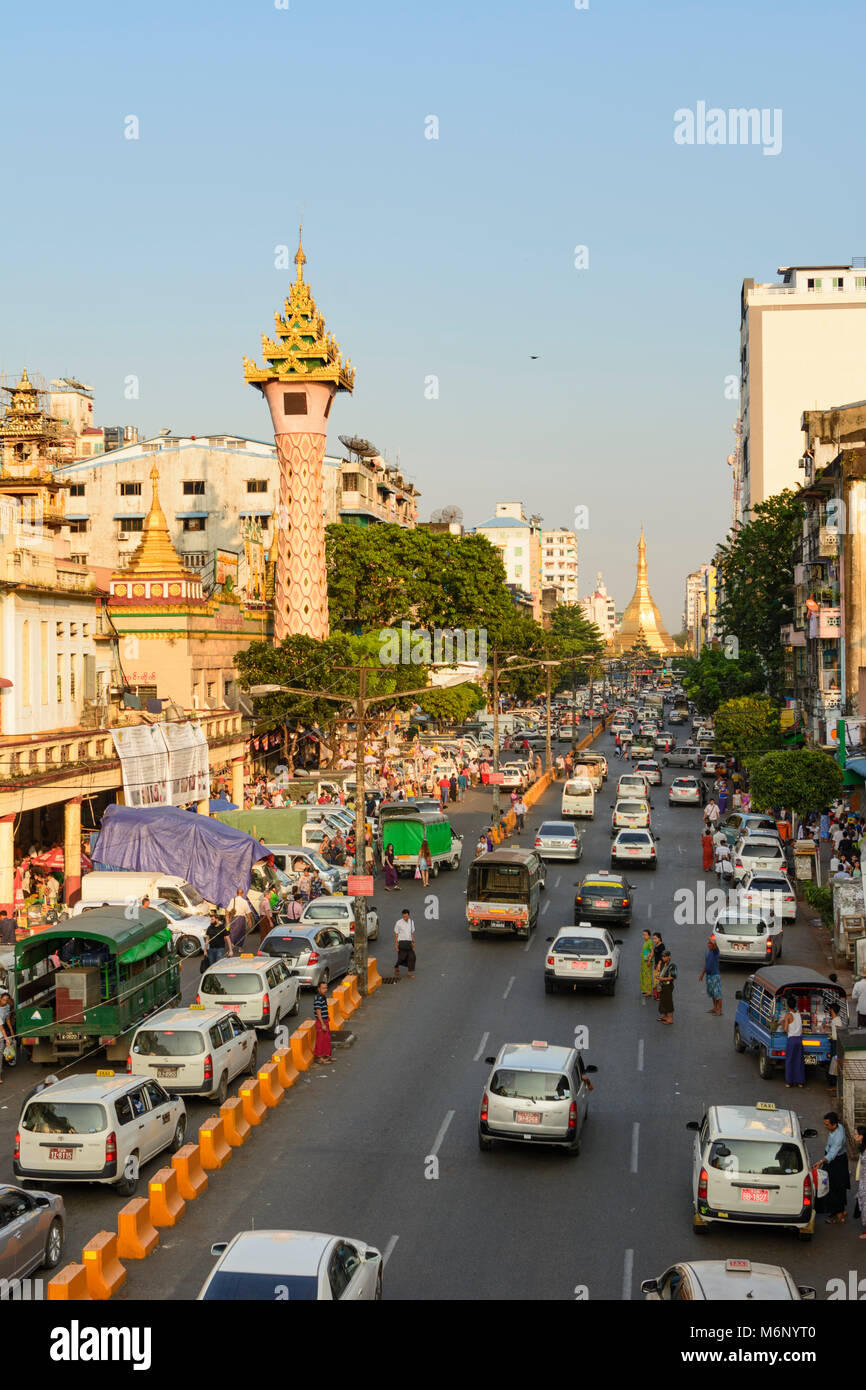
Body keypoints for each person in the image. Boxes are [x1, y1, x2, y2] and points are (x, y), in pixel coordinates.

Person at [818, 1111, 850, 1223]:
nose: (825, 1126)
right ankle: (841, 1210)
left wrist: (821, 1162)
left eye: (827, 1124)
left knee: (835, 1187)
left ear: (834, 1124)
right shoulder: (838, 1127)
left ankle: (838, 1214)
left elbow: (832, 1153)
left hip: (837, 1162)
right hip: (832, 1159)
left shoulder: (839, 1137)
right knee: (832, 1185)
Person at [782, 994, 806, 1088]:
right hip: (799, 1039)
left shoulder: (788, 1015)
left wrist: (783, 1023)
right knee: (799, 1061)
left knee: (790, 1061)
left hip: (791, 1039)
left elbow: (785, 1029)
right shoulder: (799, 1014)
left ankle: (789, 1082)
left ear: (788, 1006)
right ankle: (800, 1082)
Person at [699, 936, 723, 1015]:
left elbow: (715, 945)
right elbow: (706, 964)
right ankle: (715, 1008)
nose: (708, 944)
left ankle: (720, 1010)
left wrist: (712, 940)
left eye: (710, 944)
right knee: (712, 993)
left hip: (715, 975)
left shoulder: (715, 951)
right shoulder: (707, 952)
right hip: (709, 975)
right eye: (708, 943)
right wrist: (702, 974)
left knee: (717, 993)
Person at [312, 980, 333, 1065]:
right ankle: (320, 1058)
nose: (325, 989)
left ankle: (327, 1056)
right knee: (320, 1040)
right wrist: (322, 1024)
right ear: (318, 989)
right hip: (321, 1022)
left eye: (326, 988)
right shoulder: (318, 998)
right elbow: (318, 1012)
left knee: (326, 1039)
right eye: (323, 988)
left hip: (325, 1021)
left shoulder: (322, 997)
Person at [394, 909, 416, 978]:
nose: (404, 918)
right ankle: (396, 966)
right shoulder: (398, 923)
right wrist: (396, 945)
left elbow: (412, 933)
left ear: (408, 915)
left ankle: (409, 973)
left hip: (409, 943)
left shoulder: (411, 922)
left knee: (412, 957)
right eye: (403, 916)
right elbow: (396, 934)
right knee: (401, 958)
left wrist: (413, 942)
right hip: (402, 942)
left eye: (406, 916)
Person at [827, 1000, 842, 1097]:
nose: (829, 1010)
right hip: (833, 1042)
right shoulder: (834, 1020)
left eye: (830, 1009)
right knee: (833, 1063)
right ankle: (833, 1085)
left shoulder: (837, 1020)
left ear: (832, 1010)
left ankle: (835, 1086)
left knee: (834, 1064)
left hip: (836, 1043)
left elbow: (839, 1029)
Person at [657, 952, 677, 1024]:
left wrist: (663, 979)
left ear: (669, 957)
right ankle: (665, 1016)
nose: (663, 958)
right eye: (662, 957)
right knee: (662, 1001)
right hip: (662, 985)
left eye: (665, 956)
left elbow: (673, 977)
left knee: (668, 1002)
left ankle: (670, 1019)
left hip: (668, 986)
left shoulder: (672, 966)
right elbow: (661, 973)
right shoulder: (663, 964)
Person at [854, 1126, 866, 1237]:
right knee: (862, 1203)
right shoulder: (863, 1147)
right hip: (863, 1180)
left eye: (856, 1134)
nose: (854, 1136)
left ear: (861, 1136)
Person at [639, 929, 654, 997]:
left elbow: (652, 952)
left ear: (649, 935)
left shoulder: (650, 942)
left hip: (647, 962)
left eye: (645, 935)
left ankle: (649, 991)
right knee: (644, 975)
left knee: (647, 976)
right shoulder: (646, 942)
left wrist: (649, 961)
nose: (644, 936)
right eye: (643, 934)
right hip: (644, 962)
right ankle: (645, 990)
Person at [651, 932, 665, 1000]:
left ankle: (658, 995)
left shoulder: (662, 946)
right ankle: (656, 995)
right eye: (653, 939)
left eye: (655, 938)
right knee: (655, 979)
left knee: (657, 980)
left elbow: (662, 956)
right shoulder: (656, 945)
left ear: (659, 938)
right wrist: (650, 957)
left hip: (659, 965)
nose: (654, 940)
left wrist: (659, 964)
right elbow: (654, 952)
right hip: (656, 964)